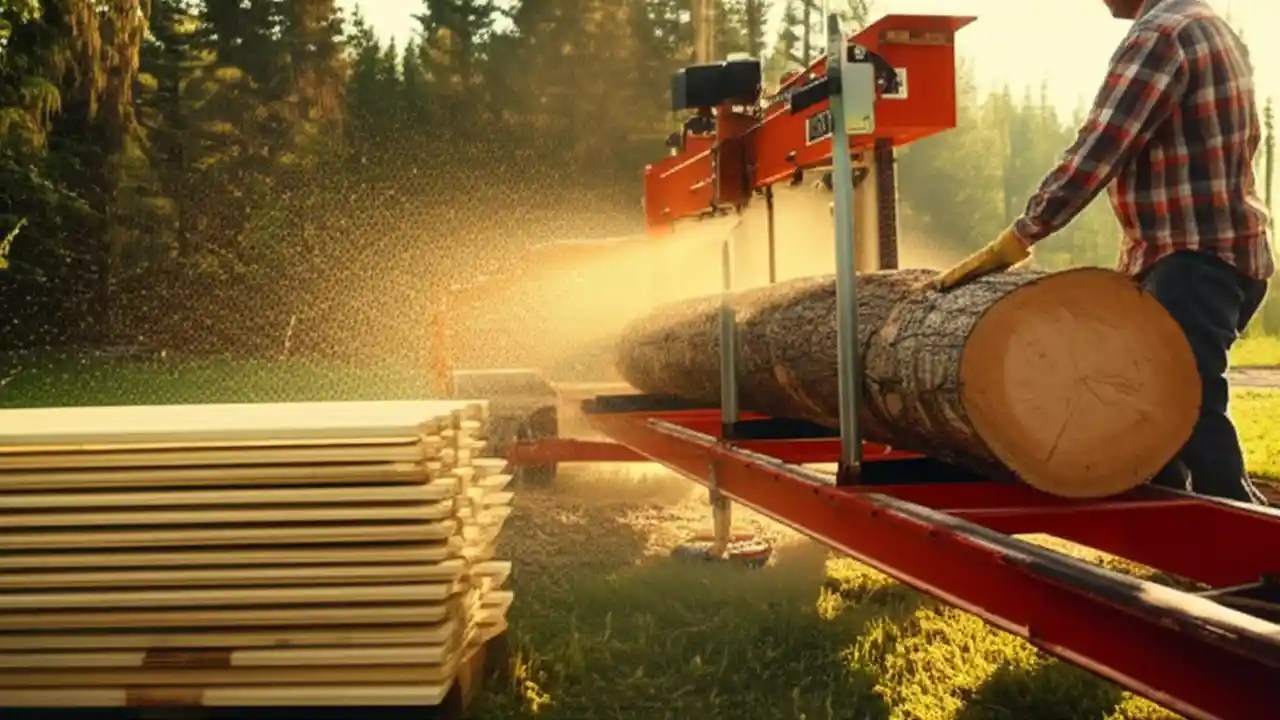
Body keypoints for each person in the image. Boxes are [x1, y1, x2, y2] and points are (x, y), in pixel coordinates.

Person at [924, 0, 1274, 504]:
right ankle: (1180, 545)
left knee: (1186, 411)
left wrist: (1024, 233)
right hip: (1224, 254)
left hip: (1192, 259)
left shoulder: (1161, 35)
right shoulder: (1210, 25)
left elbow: (1101, 148)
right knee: (1153, 419)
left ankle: (1260, 557)